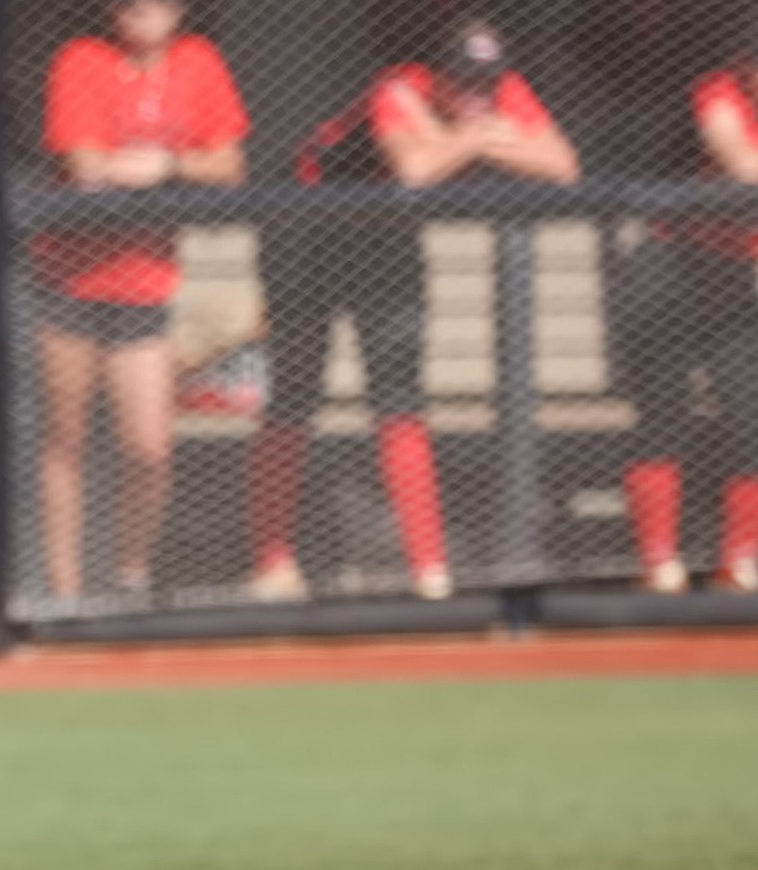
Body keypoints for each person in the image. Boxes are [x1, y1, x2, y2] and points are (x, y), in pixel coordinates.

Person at [246, 13, 580, 603]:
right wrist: (482, 138)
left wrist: (469, 135)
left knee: (400, 397)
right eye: (463, 81)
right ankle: (273, 563)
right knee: (295, 392)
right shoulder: (399, 88)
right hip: (304, 231)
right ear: (436, 75)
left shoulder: (503, 88)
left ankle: (428, 568)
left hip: (385, 238)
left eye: (486, 83)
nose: (477, 95)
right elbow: (415, 170)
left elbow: (564, 166)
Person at [34, 0, 248, 602]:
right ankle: (63, 592)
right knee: (67, 437)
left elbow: (230, 165)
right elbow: (85, 167)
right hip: (70, 277)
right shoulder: (83, 58)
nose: (141, 12)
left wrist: (166, 162)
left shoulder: (198, 60)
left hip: (146, 278)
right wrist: (152, 168)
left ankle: (129, 579)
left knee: (148, 445)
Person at [611, 25, 758, 595]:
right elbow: (745, 168)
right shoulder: (716, 92)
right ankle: (658, 562)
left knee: (749, 412)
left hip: (730, 275)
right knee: (662, 409)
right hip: (669, 266)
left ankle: (739, 560)